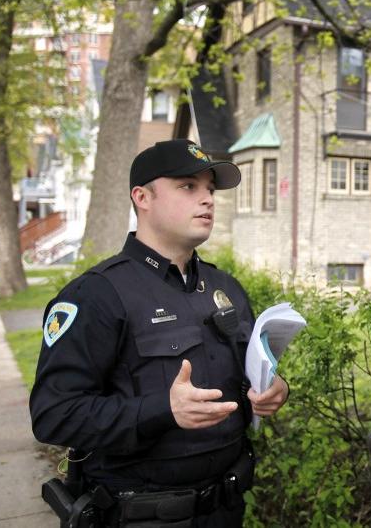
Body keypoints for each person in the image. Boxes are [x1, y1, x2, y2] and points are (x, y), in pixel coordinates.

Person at [30, 139, 290, 527]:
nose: (207, 200)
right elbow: (54, 415)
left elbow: (248, 376)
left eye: (210, 190)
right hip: (140, 516)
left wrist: (272, 390)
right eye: (188, 186)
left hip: (225, 509)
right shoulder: (97, 295)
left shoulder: (226, 288)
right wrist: (162, 410)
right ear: (142, 197)